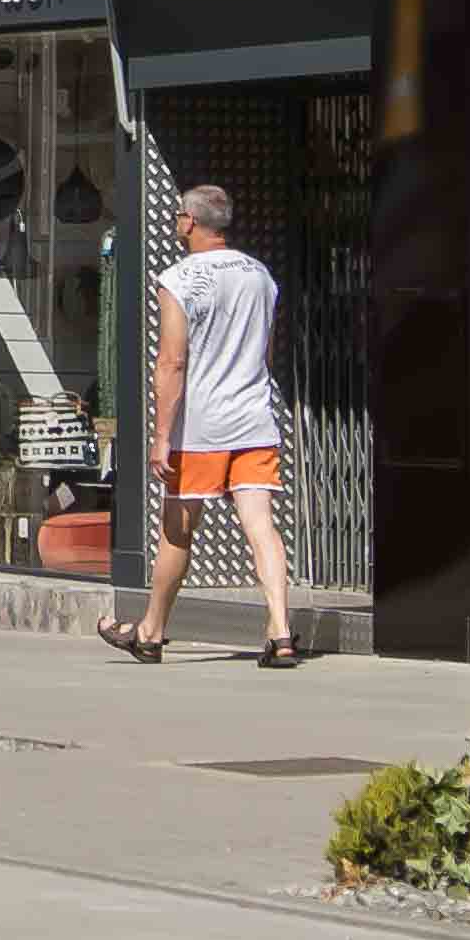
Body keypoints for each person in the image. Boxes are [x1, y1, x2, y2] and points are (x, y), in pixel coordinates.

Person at [106, 183, 305, 668]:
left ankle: (151, 632)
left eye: (178, 216)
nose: (177, 223)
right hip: (254, 420)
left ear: (190, 222)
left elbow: (172, 361)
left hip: (202, 428)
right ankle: (279, 630)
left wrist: (160, 437)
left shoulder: (178, 279)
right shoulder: (260, 276)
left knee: (177, 529)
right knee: (261, 526)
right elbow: (267, 350)